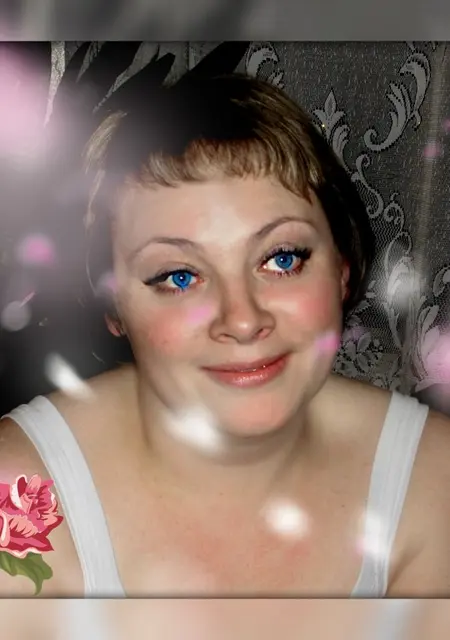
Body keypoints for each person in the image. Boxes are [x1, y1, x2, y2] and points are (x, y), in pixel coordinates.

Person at [1, 73, 450, 599]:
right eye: (179, 277)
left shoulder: (432, 479)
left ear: (342, 270)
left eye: (282, 259)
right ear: (113, 307)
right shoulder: (18, 497)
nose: (242, 319)